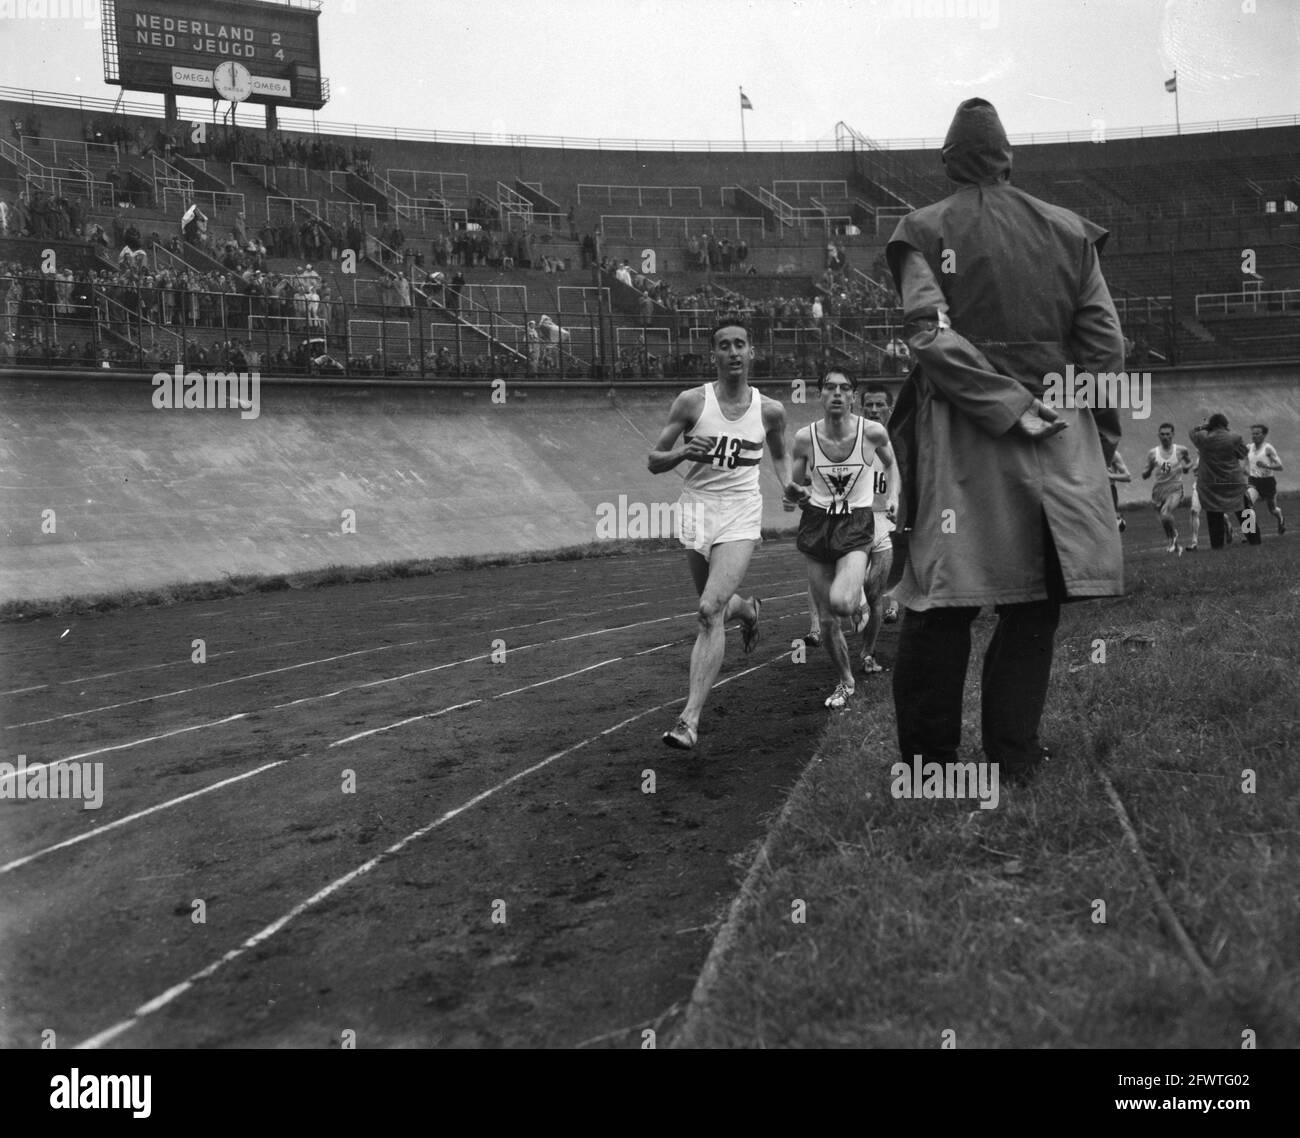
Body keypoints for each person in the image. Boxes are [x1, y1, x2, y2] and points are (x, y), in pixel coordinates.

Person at [885, 97, 1124, 785]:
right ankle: (1012, 755)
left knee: (939, 600)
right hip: (1057, 436)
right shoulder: (1070, 231)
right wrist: (1091, 433)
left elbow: (927, 330)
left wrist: (1003, 403)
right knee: (1033, 601)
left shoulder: (923, 228)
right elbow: (1106, 350)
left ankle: (930, 765)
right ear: (1009, 159)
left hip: (962, 436)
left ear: (948, 163)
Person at [648, 318, 795, 750]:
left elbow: (781, 457)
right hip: (696, 508)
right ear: (714, 355)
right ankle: (748, 610)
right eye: (724, 346)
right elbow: (653, 460)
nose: (733, 352)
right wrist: (680, 453)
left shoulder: (770, 411)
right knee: (716, 606)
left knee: (708, 610)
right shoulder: (692, 402)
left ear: (752, 353)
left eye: (740, 345)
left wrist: (789, 486)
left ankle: (688, 720)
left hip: (741, 512)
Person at [786, 370, 895, 709]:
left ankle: (859, 601)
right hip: (817, 523)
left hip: (857, 522)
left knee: (843, 603)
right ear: (819, 394)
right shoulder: (805, 438)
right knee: (828, 617)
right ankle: (845, 681)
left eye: (844, 388)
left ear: (852, 396)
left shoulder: (872, 432)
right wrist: (797, 494)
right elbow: (796, 483)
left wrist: (894, 498)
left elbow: (892, 467)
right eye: (829, 388)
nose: (836, 393)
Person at [1190, 413, 1251, 549]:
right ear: (1225, 424)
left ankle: (1217, 546)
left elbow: (1192, 432)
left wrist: (1204, 426)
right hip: (1234, 481)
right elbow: (1243, 454)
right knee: (1245, 510)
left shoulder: (1202, 438)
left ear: (1211, 426)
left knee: (1214, 514)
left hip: (1213, 483)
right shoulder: (1235, 437)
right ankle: (1254, 539)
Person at [1140, 422, 1192, 554]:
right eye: (1162, 434)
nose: (1165, 437)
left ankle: (1174, 537)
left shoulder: (1181, 450)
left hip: (1175, 489)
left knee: (1165, 512)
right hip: (1158, 491)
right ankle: (1174, 543)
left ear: (1173, 435)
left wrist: (1186, 467)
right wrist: (1148, 471)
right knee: (1164, 519)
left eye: (1168, 434)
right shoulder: (1153, 453)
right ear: (1158, 435)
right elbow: (1145, 473)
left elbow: (1189, 462)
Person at [1246, 423, 1285, 536]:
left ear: (1264, 435)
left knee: (1272, 510)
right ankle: (1249, 533)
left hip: (1268, 482)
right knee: (1247, 504)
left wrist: (1266, 466)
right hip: (1253, 481)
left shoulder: (1268, 449)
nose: (1254, 436)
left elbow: (1280, 466)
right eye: (1253, 434)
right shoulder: (1249, 447)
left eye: (1257, 433)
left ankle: (1280, 518)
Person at [1108, 449, 1131, 532]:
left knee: (1109, 525)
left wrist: (1109, 475)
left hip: (1108, 490)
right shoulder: (1087, 451)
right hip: (1092, 490)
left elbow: (1127, 476)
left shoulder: (1113, 454)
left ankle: (1117, 521)